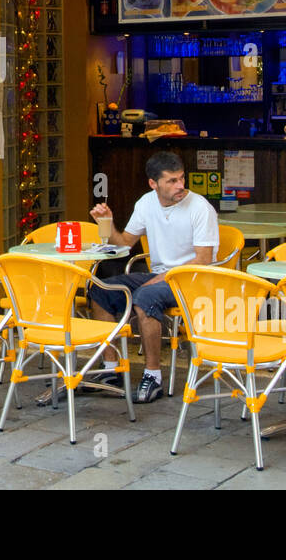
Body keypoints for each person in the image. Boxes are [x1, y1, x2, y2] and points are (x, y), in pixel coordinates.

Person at [88, 151, 219, 404]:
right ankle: (110, 369)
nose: (180, 186)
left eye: (181, 178)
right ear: (153, 183)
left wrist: (158, 281)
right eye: (171, 181)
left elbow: (203, 260)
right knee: (100, 289)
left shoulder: (201, 207)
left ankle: (153, 376)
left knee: (145, 296)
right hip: (161, 274)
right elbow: (125, 243)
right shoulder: (146, 203)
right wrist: (107, 223)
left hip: (194, 279)